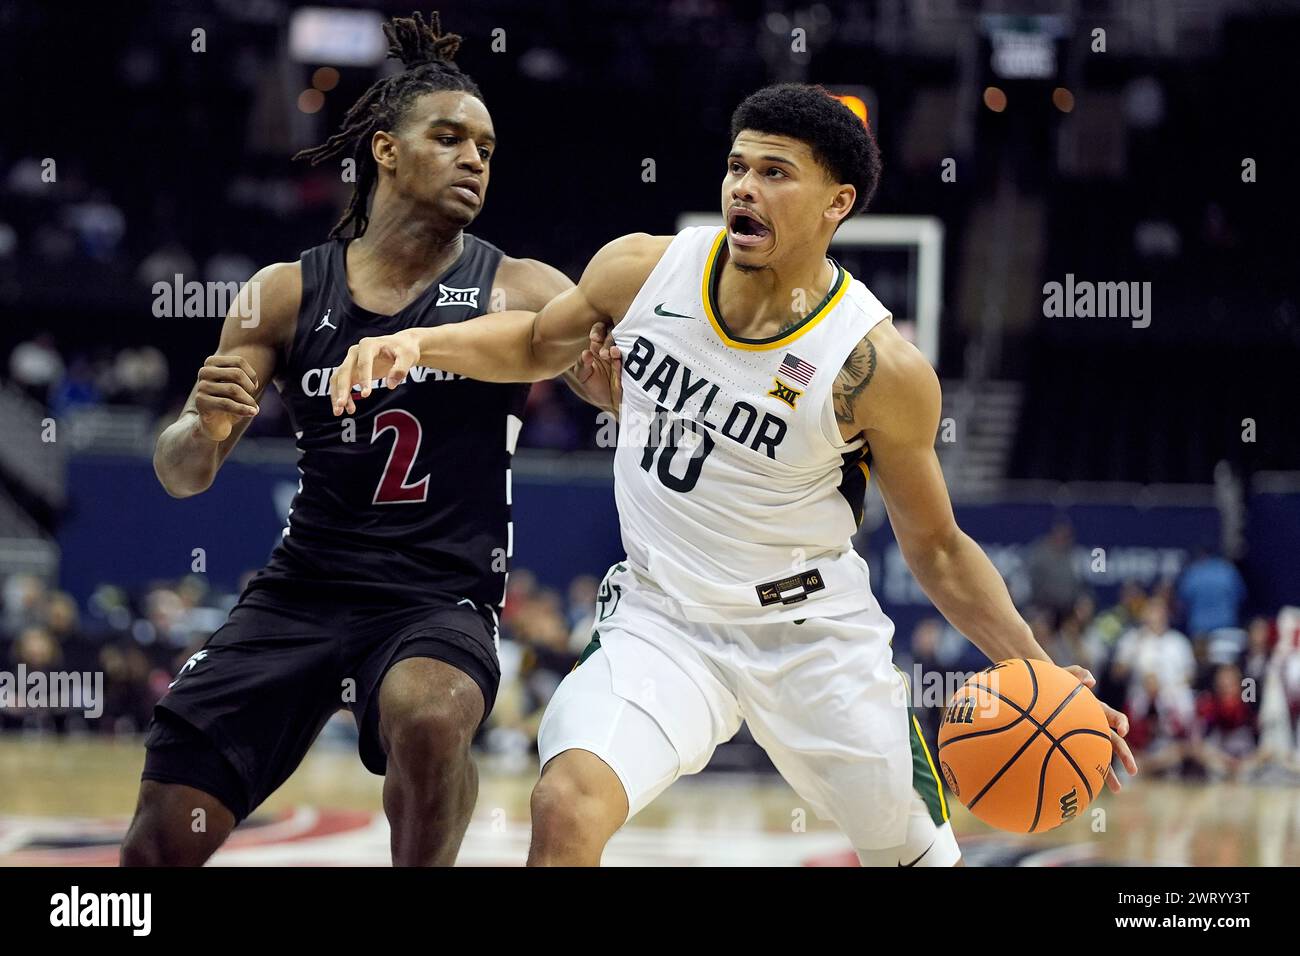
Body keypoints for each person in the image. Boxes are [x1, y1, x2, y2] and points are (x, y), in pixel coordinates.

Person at [329, 82, 1137, 867]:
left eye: (776, 172)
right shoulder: (642, 270)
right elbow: (538, 342)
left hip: (814, 641)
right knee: (565, 803)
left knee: (918, 858)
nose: (745, 187)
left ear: (837, 202)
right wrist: (418, 344)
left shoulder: (876, 366)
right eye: (738, 166)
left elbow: (938, 548)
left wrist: (1032, 663)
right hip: (662, 621)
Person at [120, 12, 615, 867]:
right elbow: (184, 475)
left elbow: (607, 379)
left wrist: (607, 382)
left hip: (438, 597)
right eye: (451, 138)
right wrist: (196, 425)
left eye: (487, 150)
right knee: (156, 844)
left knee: (430, 714)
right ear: (385, 150)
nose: (474, 160)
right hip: (301, 591)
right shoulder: (279, 293)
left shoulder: (522, 286)